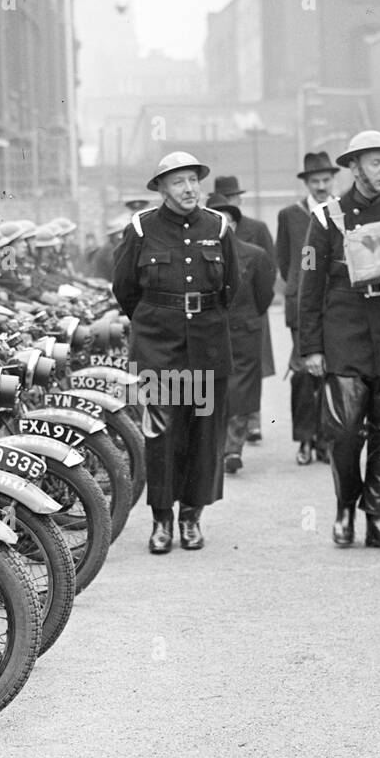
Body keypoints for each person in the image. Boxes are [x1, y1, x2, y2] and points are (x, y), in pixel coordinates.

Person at [298, 130, 380, 552]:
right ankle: (345, 508)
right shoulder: (326, 217)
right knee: (346, 432)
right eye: (375, 163)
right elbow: (309, 287)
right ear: (353, 168)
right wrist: (311, 347)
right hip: (346, 338)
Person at [112, 151, 239, 554]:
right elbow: (125, 287)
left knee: (203, 433)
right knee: (162, 433)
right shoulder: (141, 227)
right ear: (162, 188)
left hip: (206, 345)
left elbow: (230, 286)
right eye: (179, 182)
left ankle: (192, 518)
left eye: (193, 180)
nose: (189, 189)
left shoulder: (217, 226)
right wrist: (156, 319)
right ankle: (162, 520)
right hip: (159, 346)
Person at [207, 192, 275, 475]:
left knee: (242, 390)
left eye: (226, 222)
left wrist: (245, 316)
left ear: (234, 224)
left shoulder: (255, 255)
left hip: (245, 331)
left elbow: (265, 296)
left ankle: (232, 449)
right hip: (212, 333)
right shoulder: (203, 258)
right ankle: (220, 448)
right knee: (216, 389)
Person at [277, 152, 338, 466]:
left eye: (326, 180)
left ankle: (327, 440)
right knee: (303, 375)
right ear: (306, 183)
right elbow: (285, 261)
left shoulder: (342, 211)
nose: (321, 186)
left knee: (332, 373)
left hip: (337, 306)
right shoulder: (290, 215)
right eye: (315, 181)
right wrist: (301, 290)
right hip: (301, 306)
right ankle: (304, 440)